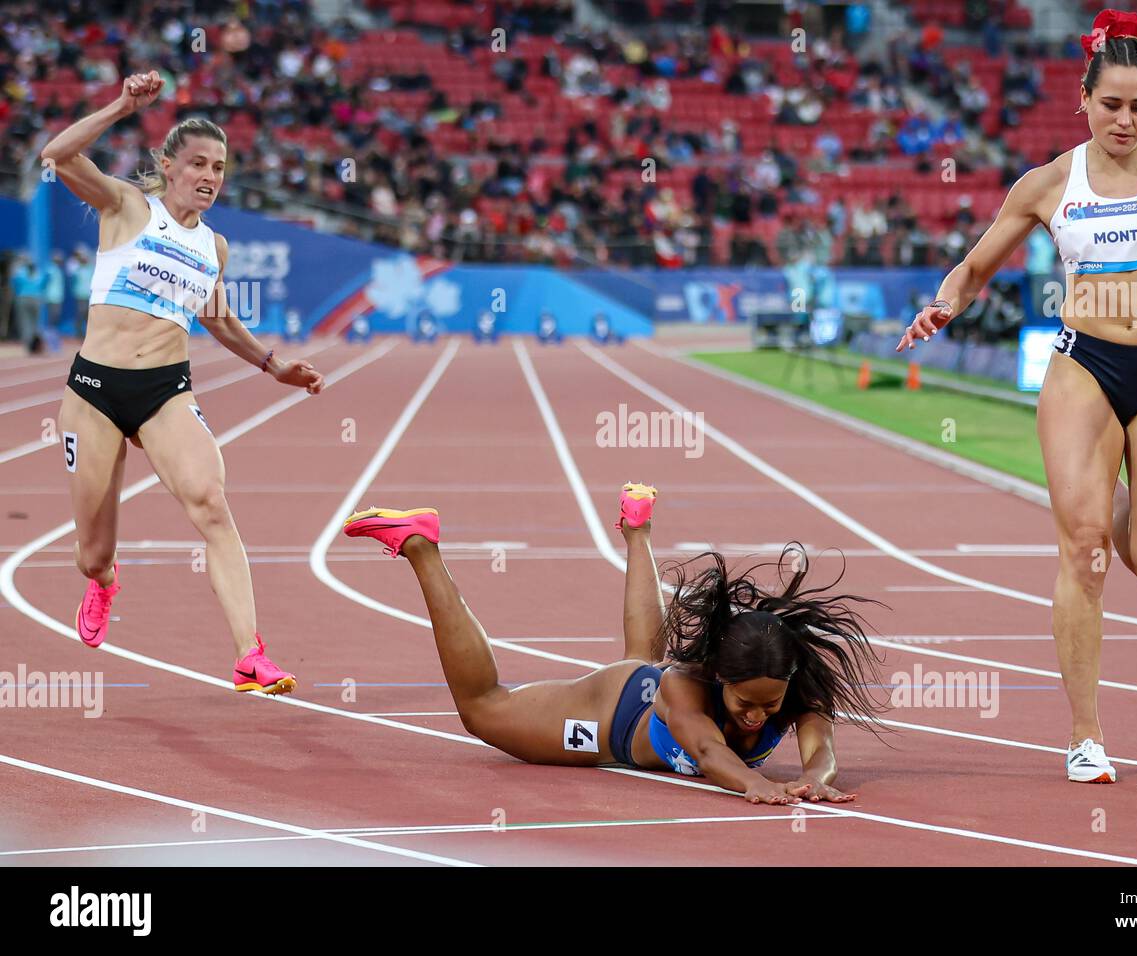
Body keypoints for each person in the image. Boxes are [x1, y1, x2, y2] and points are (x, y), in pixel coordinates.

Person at [897, 10, 1137, 783]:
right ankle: (1087, 737)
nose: (1124, 119)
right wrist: (944, 304)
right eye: (1110, 103)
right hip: (1084, 367)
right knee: (1085, 552)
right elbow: (975, 269)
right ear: (1084, 100)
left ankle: (1107, 492)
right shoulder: (1049, 184)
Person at [39, 69, 325, 694]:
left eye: (219, 167)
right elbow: (55, 156)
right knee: (91, 551)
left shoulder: (214, 247)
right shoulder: (124, 206)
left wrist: (273, 365)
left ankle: (250, 654)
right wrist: (121, 104)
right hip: (93, 393)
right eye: (198, 163)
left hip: (165, 390)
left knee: (212, 503)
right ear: (167, 165)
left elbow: (216, 314)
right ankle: (105, 580)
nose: (210, 176)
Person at [342, 484, 889, 804]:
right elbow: (706, 751)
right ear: (719, 678)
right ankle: (420, 546)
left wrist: (815, 779)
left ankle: (637, 528)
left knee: (646, 655)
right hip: (611, 719)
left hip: (646, 684)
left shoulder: (801, 685)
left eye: (770, 705)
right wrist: (756, 785)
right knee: (483, 709)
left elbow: (821, 750)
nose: (757, 716)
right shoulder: (683, 688)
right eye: (745, 702)